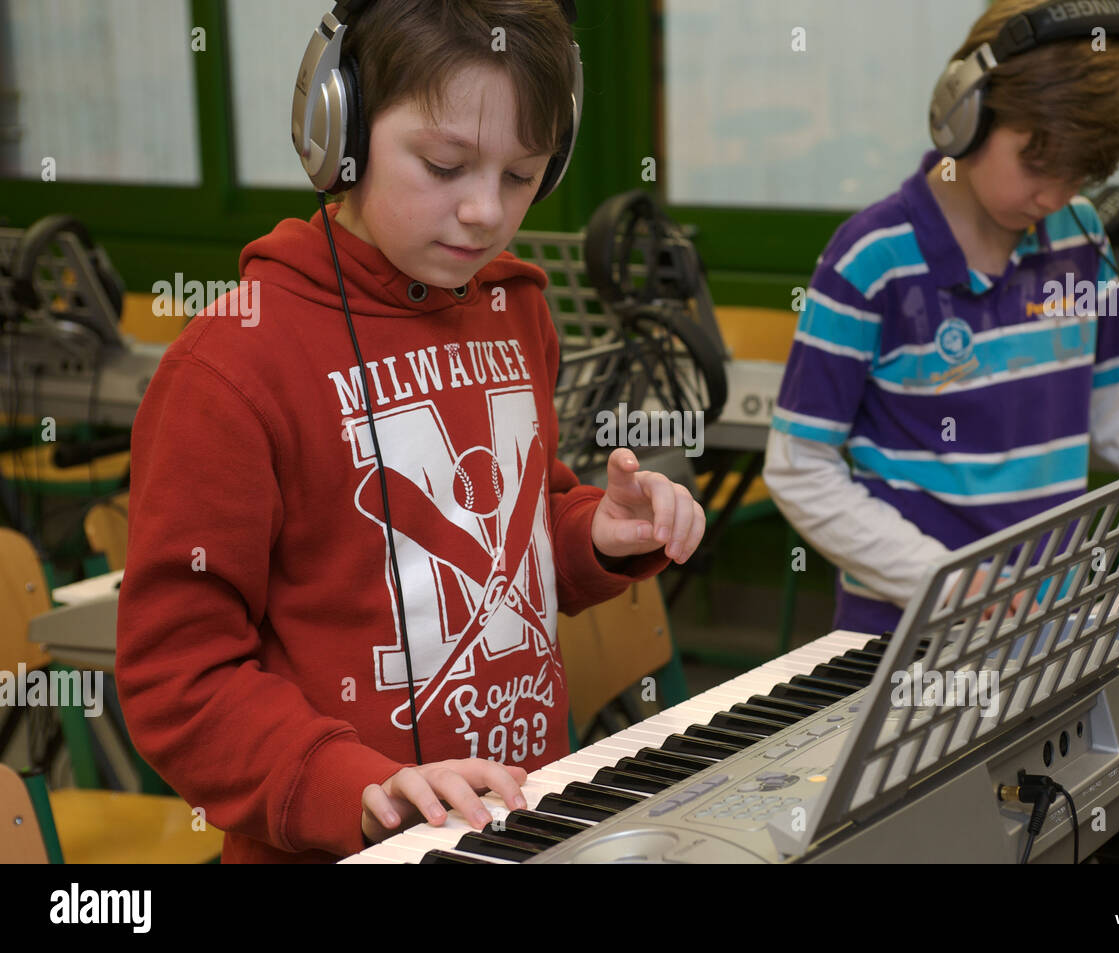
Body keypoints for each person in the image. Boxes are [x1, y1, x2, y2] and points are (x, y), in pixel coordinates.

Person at [116, 0, 705, 864]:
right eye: (444, 164)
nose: (483, 212)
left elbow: (517, 544)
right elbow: (179, 677)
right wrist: (349, 785)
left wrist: (597, 537)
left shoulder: (515, 308)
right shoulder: (232, 365)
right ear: (338, 133)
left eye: (519, 175)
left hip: (517, 827)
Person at [764, 0, 1119, 638]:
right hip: (905, 636)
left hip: (1051, 629)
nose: (1054, 196)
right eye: (1039, 165)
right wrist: (953, 586)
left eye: (1080, 176)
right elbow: (800, 467)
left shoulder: (1079, 240)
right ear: (966, 113)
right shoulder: (870, 262)